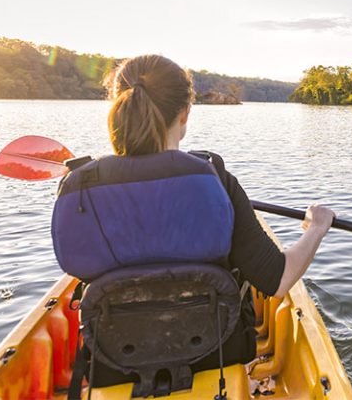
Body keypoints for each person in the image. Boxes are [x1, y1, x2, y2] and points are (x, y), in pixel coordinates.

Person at [51, 54, 335, 386]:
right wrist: (316, 227)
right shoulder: (215, 177)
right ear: (185, 114)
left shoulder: (81, 187)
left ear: (118, 105)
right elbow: (279, 279)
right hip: (215, 358)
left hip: (113, 367)